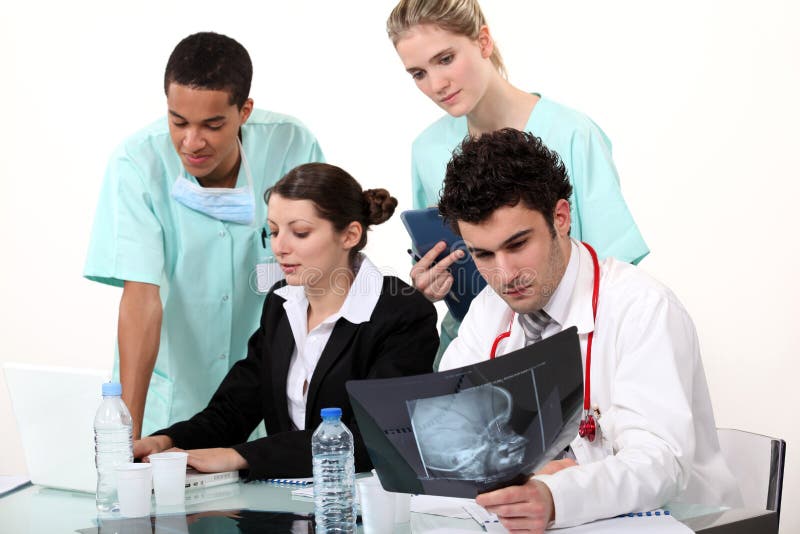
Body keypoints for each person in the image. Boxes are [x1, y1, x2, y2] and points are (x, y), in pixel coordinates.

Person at [436, 129, 741, 531]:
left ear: (560, 218)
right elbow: (450, 431)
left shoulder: (643, 308)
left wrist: (555, 496)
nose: (504, 275)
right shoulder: (487, 312)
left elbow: (659, 461)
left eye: (518, 244)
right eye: (483, 254)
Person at [84, 32, 324, 439]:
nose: (191, 143)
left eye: (212, 125)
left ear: (244, 110)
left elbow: (318, 272)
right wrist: (125, 439)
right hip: (172, 401)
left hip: (265, 403)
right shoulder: (137, 162)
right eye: (178, 122)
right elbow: (141, 299)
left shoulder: (290, 145)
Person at [133, 163, 439, 478]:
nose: (280, 247)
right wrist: (167, 440)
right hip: (284, 501)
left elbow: (374, 439)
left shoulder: (402, 313)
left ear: (349, 235)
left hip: (359, 507)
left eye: (300, 232)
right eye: (274, 231)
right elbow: (234, 408)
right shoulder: (282, 303)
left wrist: (239, 456)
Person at [386, 0, 648, 363]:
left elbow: (613, 270)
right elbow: (451, 251)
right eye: (418, 74)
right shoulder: (428, 150)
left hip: (569, 346)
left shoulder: (571, 134)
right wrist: (430, 283)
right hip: (473, 344)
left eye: (445, 59)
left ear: (483, 42)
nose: (436, 84)